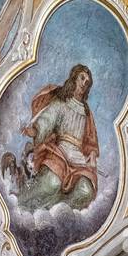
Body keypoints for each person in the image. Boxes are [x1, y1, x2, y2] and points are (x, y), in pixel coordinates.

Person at [16, 64, 99, 213]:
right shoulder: (61, 103)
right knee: (52, 183)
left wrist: (92, 156)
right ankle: (23, 202)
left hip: (78, 159)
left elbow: (90, 139)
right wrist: (34, 131)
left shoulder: (86, 113)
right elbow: (47, 121)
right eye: (82, 78)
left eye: (87, 82)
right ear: (73, 79)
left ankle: (57, 208)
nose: (84, 83)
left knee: (86, 191)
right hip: (60, 152)